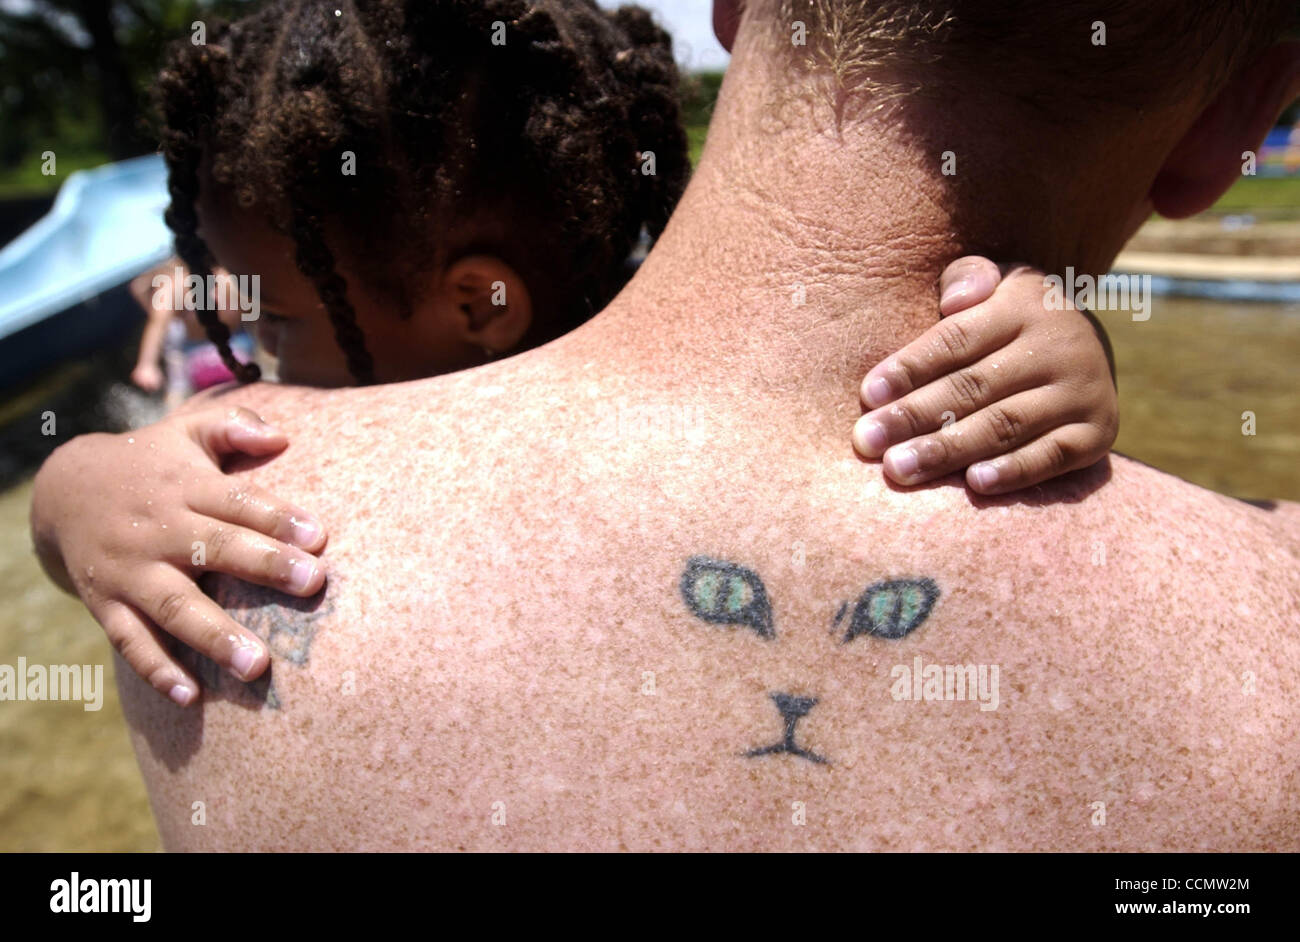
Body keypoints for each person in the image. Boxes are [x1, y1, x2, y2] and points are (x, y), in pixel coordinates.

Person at [41, 0, 1300, 849]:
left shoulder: (242, 544)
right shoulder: (1270, 635)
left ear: (739, 9)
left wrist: (79, 489)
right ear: (1235, 130)